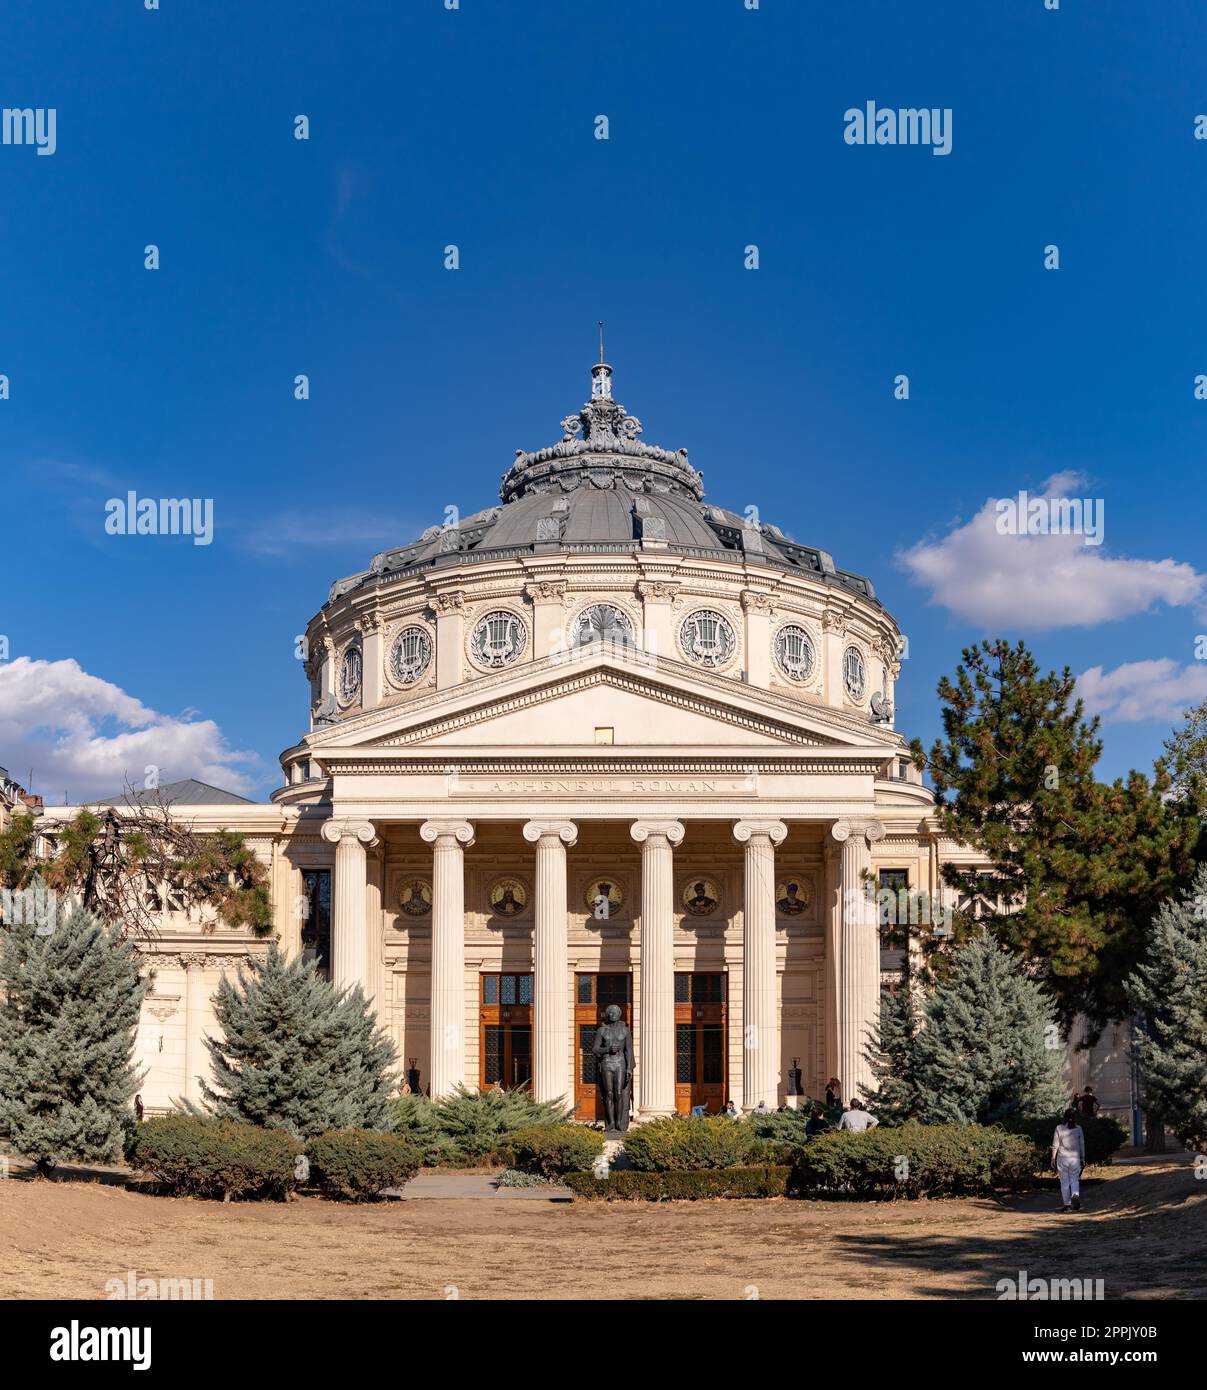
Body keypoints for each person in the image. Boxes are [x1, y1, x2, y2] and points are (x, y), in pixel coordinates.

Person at [1052, 1108, 1085, 1212]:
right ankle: (1075, 1194)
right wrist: (1082, 1158)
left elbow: (1055, 1145)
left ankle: (1067, 1205)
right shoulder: (1078, 1129)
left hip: (1062, 1159)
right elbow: (1082, 1144)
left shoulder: (1059, 1128)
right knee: (1074, 1179)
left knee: (1064, 1182)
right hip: (1074, 1158)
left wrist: (1053, 1158)